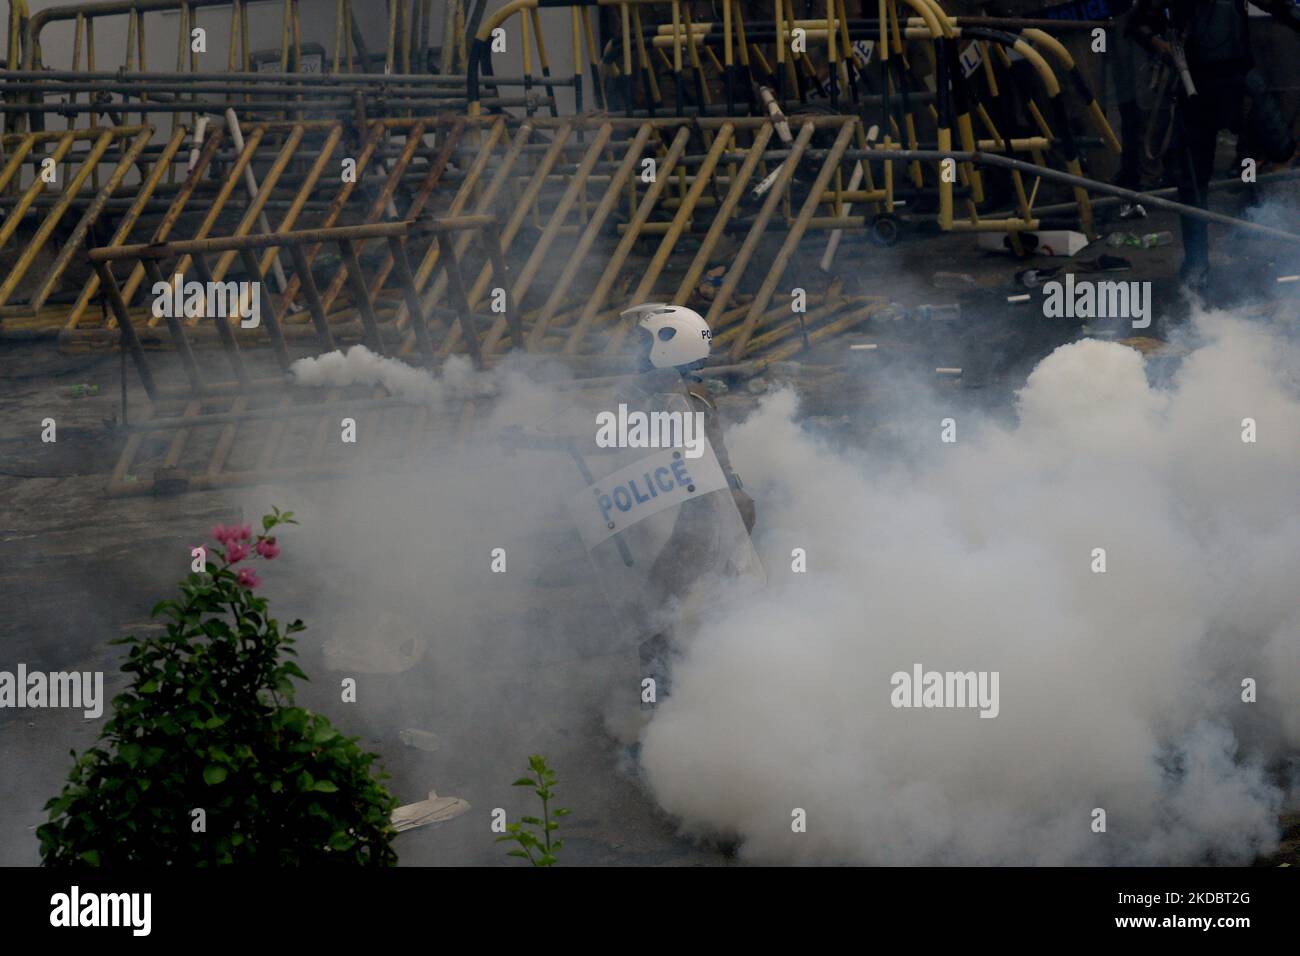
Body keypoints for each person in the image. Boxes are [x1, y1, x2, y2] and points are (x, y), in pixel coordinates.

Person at [621, 303, 757, 707]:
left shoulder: (682, 402)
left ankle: (665, 714)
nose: (634, 352)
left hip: (696, 520)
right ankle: (687, 703)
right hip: (692, 518)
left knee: (657, 615)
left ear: (669, 347)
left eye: (642, 342)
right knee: (675, 610)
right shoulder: (675, 395)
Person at [1127, 0, 1300, 287]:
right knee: (1193, 181)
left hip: (1240, 83)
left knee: (1279, 148)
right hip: (1196, 88)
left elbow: (1280, 6)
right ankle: (1197, 260)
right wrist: (1161, 46)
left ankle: (1255, 217)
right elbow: (1137, 23)